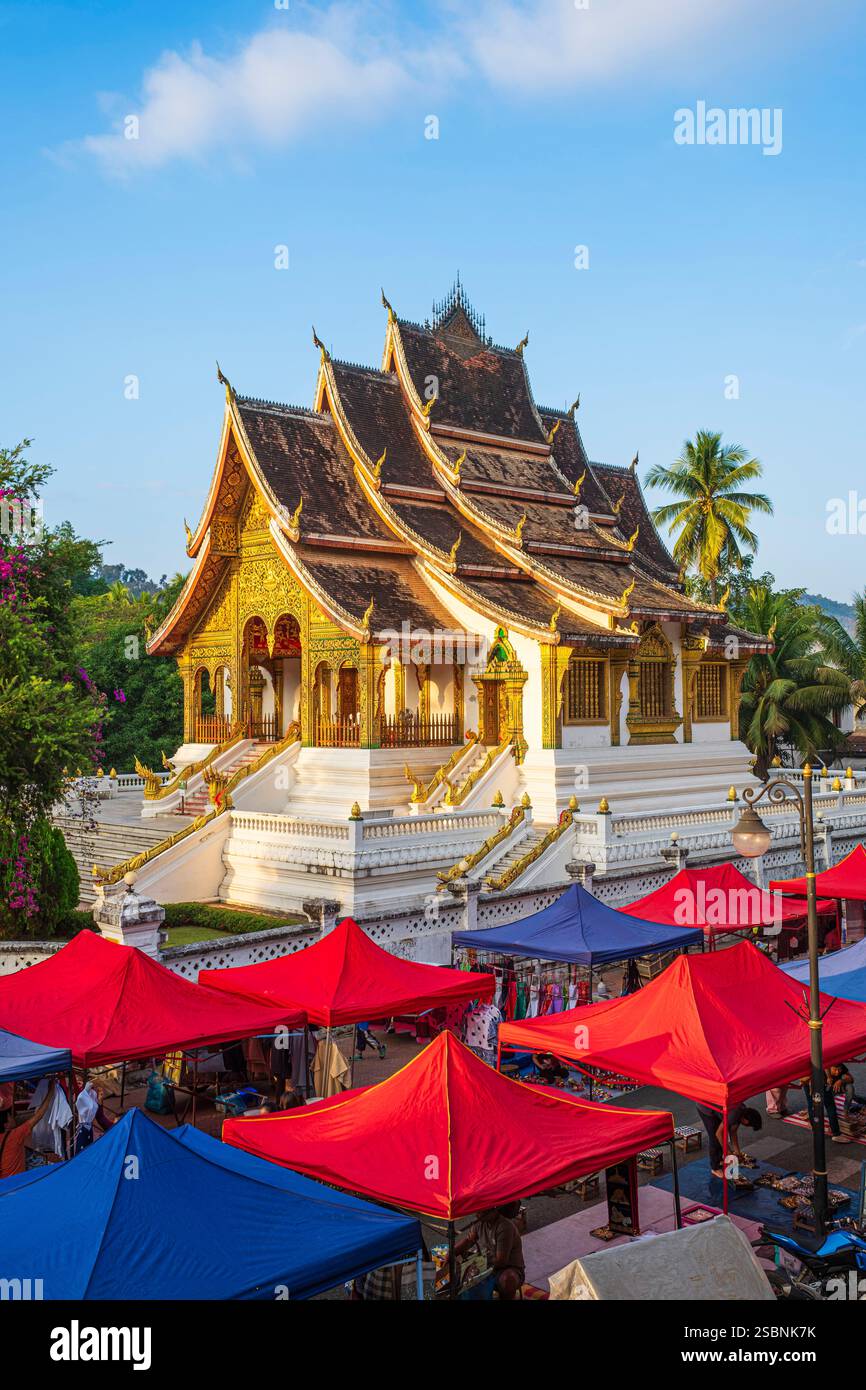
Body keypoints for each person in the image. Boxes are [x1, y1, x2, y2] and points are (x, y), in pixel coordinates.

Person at [454, 1206, 525, 1300]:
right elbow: (468, 1241)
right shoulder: (480, 1222)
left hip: (507, 1269)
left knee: (507, 1279)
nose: (477, 1215)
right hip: (488, 1266)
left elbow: (501, 1261)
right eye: (477, 1212)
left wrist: (477, 1267)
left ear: (493, 1210)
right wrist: (451, 1253)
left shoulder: (504, 1227)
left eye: (480, 1212)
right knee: (458, 1273)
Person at [0, 1081, 56, 1180]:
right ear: (6, 1123)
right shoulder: (16, 1135)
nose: (14, 1118)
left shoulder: (8, 1136)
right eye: (11, 1116)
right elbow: (39, 1115)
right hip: (16, 1184)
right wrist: (51, 1091)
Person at [695, 1102, 763, 1179]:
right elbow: (719, 1134)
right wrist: (729, 1152)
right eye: (749, 1124)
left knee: (721, 1132)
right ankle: (715, 1168)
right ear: (745, 1120)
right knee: (714, 1138)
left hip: (717, 1107)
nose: (748, 1126)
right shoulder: (734, 1115)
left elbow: (733, 1133)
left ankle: (719, 1159)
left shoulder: (742, 1112)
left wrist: (738, 1152)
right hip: (705, 1107)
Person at [801, 1075, 848, 1142]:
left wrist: (802, 1079)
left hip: (807, 1081)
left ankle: (816, 1130)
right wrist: (828, 1077)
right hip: (819, 1080)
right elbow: (825, 1066)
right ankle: (836, 1133)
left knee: (812, 1105)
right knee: (830, 1106)